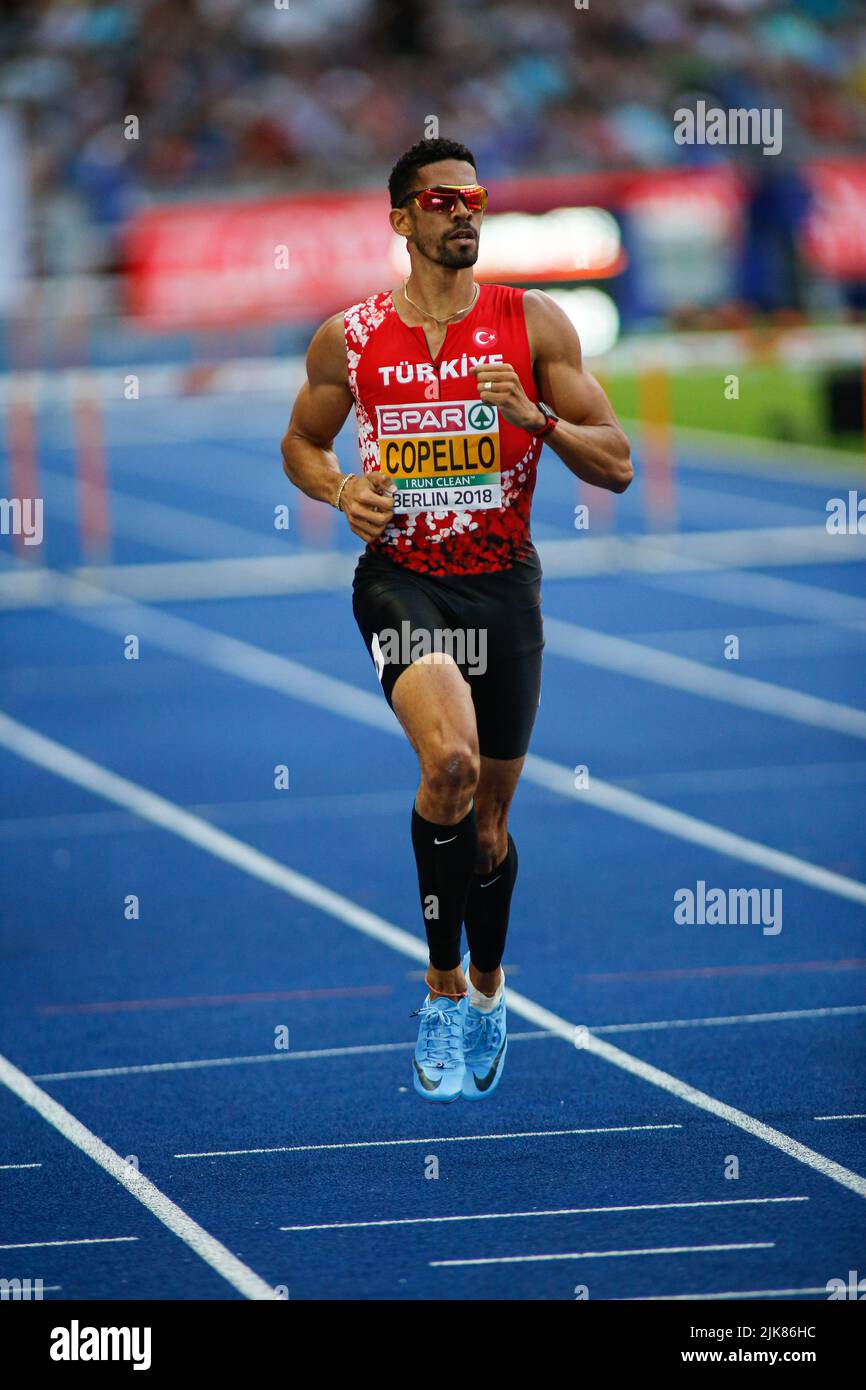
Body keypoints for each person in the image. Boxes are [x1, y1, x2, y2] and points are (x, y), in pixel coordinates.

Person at [281, 137, 632, 1103]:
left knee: (487, 832)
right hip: (403, 580)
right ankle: (439, 991)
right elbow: (301, 442)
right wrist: (341, 488)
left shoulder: (534, 323)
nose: (464, 213)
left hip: (503, 586)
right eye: (443, 201)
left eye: (475, 198)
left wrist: (537, 419)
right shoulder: (349, 338)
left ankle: (487, 987)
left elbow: (617, 463)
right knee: (450, 767)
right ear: (403, 219)